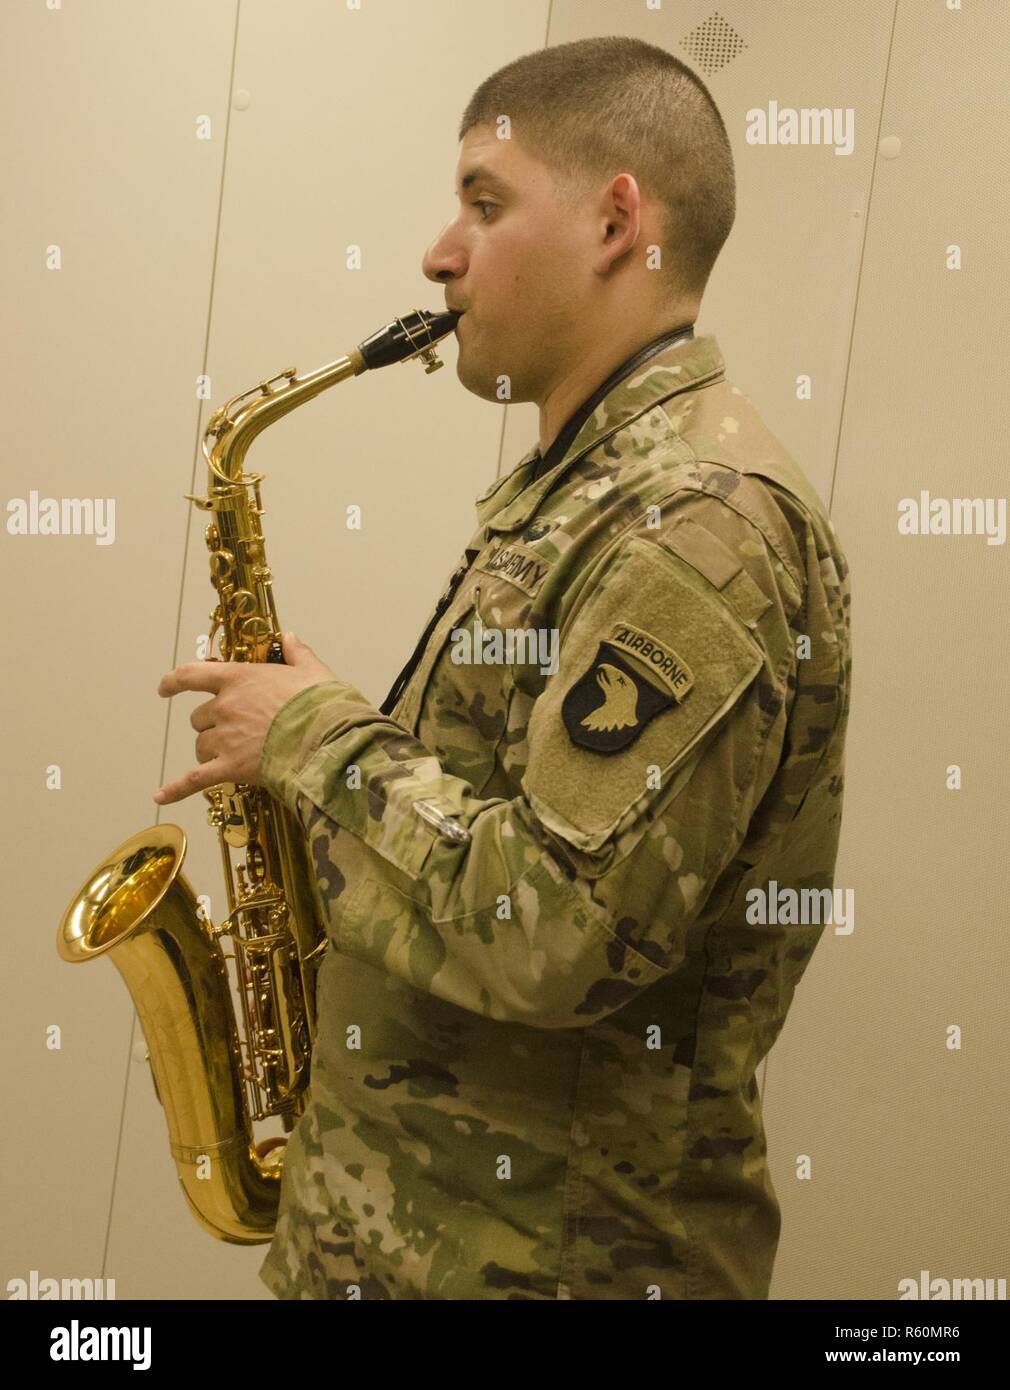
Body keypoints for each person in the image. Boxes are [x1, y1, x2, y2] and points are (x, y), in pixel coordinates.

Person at [155, 35, 851, 1300]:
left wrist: (313, 738)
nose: (438, 251)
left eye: (483, 201)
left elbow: (555, 932)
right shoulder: (580, 490)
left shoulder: (696, 523)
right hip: (412, 1239)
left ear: (614, 221)